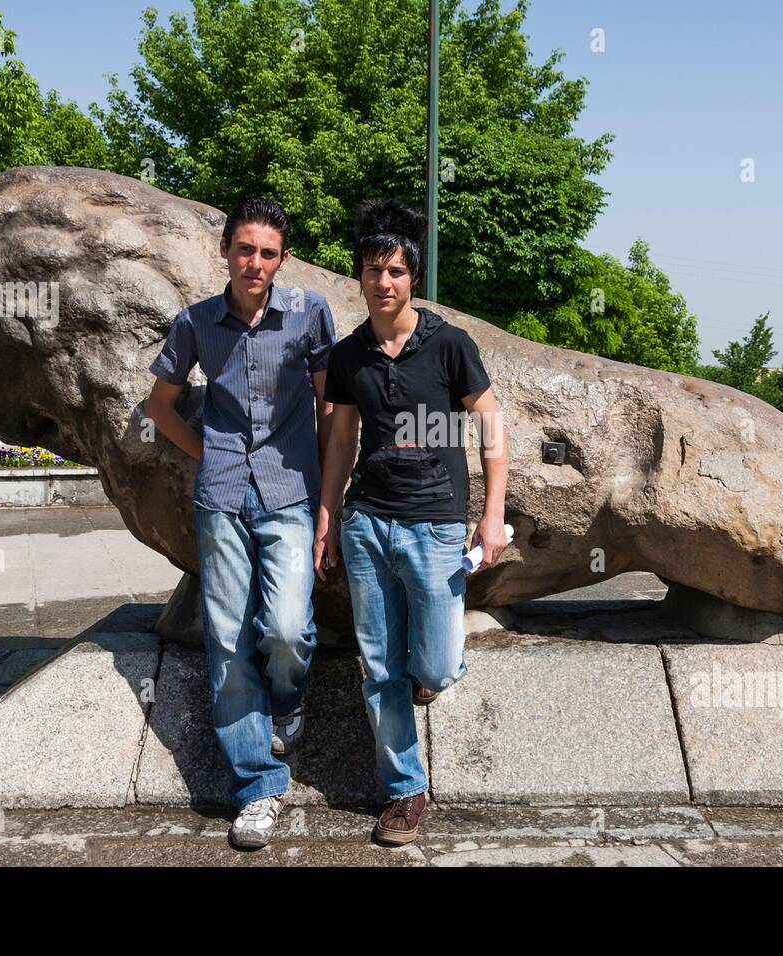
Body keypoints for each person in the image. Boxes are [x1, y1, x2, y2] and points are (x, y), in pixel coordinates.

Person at [314, 199, 510, 846]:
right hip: (369, 524)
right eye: (373, 270)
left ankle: (435, 675)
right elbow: (341, 441)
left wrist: (492, 515)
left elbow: (492, 428)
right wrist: (327, 517)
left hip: (434, 527)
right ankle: (404, 789)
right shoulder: (348, 357)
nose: (384, 281)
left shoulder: (449, 344)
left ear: (412, 278)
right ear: (360, 278)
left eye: (395, 270)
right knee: (379, 665)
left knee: (433, 663)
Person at [146, 197, 336, 849]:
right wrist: (209, 452)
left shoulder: (310, 316)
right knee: (226, 641)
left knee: (286, 627)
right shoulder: (196, 324)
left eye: (268, 252)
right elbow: (161, 407)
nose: (255, 262)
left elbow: (331, 407)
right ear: (225, 250)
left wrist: (332, 494)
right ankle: (258, 787)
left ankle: (287, 700)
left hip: (289, 491)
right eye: (245, 249)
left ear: (282, 259)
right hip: (222, 495)